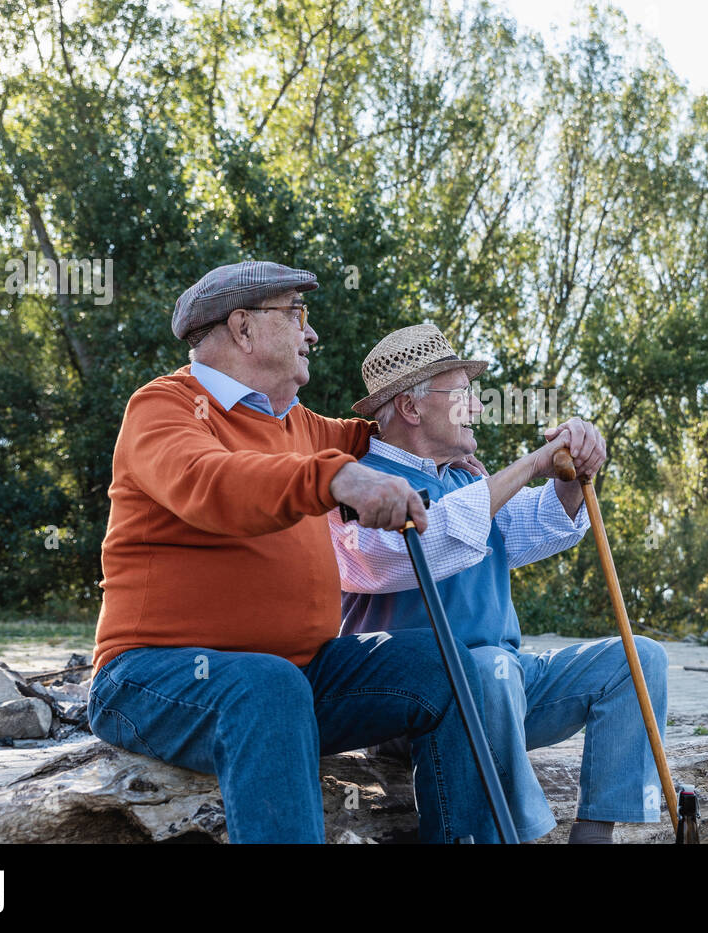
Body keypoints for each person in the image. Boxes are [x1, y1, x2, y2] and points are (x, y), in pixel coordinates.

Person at [88, 263, 504, 843]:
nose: (312, 334)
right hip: (152, 676)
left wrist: (517, 444)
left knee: (447, 665)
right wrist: (338, 480)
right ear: (243, 327)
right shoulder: (164, 409)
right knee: (265, 685)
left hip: (295, 673)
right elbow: (212, 483)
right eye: (297, 313)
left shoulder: (300, 425)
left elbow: (394, 430)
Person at [331, 323, 670, 843]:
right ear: (411, 407)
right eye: (463, 392)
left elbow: (539, 526)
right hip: (417, 706)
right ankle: (516, 836)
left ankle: (595, 832)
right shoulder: (361, 484)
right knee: (487, 667)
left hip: (507, 684)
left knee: (638, 658)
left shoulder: (467, 479)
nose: (478, 406)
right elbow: (415, 549)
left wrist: (567, 475)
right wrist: (531, 463)